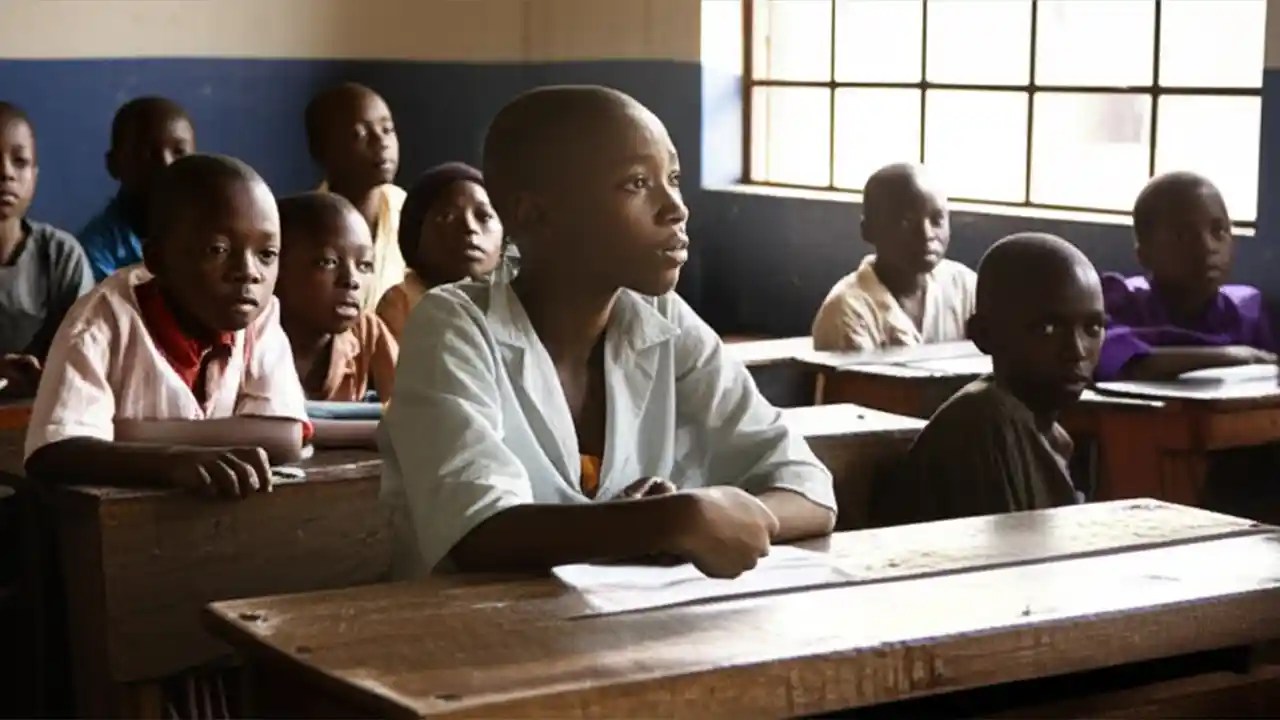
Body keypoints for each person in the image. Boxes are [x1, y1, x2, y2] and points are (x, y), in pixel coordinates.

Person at [380, 85, 836, 579]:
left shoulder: (664, 320)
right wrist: (664, 522)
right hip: (462, 638)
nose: (675, 209)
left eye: (674, 179)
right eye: (636, 183)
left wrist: (716, 520)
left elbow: (809, 487)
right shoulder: (455, 325)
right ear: (532, 214)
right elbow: (475, 531)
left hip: (624, 634)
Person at [24, 154, 308, 498]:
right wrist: (172, 461)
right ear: (157, 259)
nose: (249, 272)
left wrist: (125, 433)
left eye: (267, 254)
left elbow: (285, 438)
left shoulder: (259, 317)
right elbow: (54, 451)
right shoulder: (101, 323)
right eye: (218, 249)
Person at [888, 233, 1104, 524]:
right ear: (984, 334)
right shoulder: (985, 424)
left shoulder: (1052, 436)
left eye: (1092, 328)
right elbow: (1011, 564)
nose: (1076, 351)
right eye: (1048, 329)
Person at [1097, 171, 1276, 381]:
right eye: (1182, 235)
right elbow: (1118, 360)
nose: (1207, 247)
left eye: (1218, 231)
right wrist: (1237, 356)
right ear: (1144, 254)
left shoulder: (1249, 310)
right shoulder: (1121, 302)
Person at [811, 163, 975, 351]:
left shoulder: (963, 286)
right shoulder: (846, 311)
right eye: (907, 221)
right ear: (869, 230)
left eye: (937, 219)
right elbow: (860, 381)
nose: (926, 234)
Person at [277, 192, 398, 447]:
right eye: (327, 262)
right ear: (275, 267)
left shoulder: (366, 331)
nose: (351, 280)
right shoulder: (250, 337)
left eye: (365, 265)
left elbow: (418, 408)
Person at [0, 102, 94, 397]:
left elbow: (84, 357)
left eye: (20, 161)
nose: (6, 173)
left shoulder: (61, 256)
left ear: (35, 175)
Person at [376, 162, 504, 339]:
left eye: (484, 216)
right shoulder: (398, 307)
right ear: (415, 234)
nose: (470, 227)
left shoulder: (518, 308)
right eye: (448, 217)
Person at [306, 83, 405, 309]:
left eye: (387, 129)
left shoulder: (414, 215)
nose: (381, 142)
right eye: (359, 134)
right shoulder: (305, 228)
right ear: (321, 149)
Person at [78, 96, 195, 281]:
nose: (166, 164)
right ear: (114, 165)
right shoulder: (96, 251)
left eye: (179, 152)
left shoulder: (213, 233)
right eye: (149, 153)